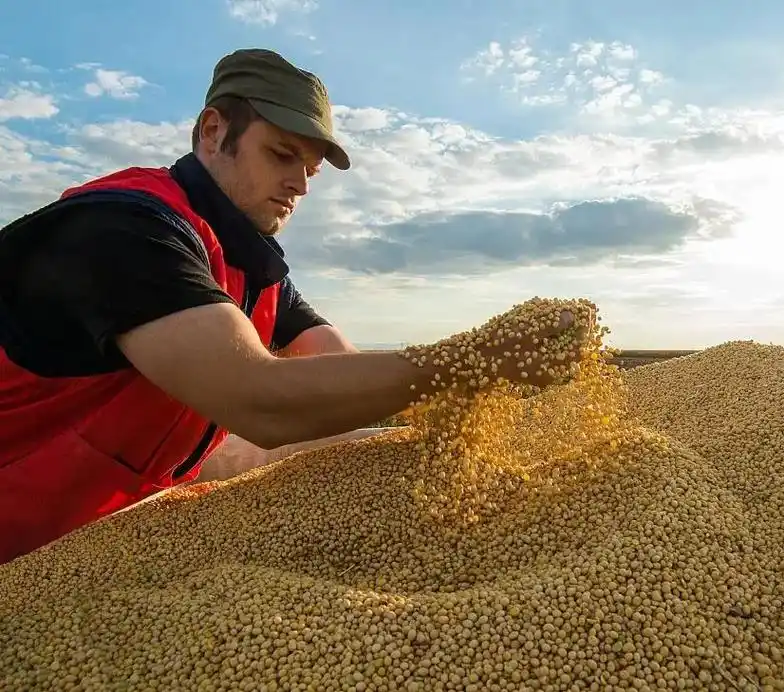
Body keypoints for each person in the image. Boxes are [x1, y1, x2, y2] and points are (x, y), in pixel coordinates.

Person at [0, 48, 580, 564]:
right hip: (24, 549)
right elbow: (262, 403)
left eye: (309, 169)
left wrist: (458, 402)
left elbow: (338, 368)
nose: (300, 184)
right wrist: (474, 359)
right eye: (281, 154)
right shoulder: (126, 230)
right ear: (212, 131)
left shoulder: (252, 264)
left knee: (373, 451)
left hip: (100, 535)